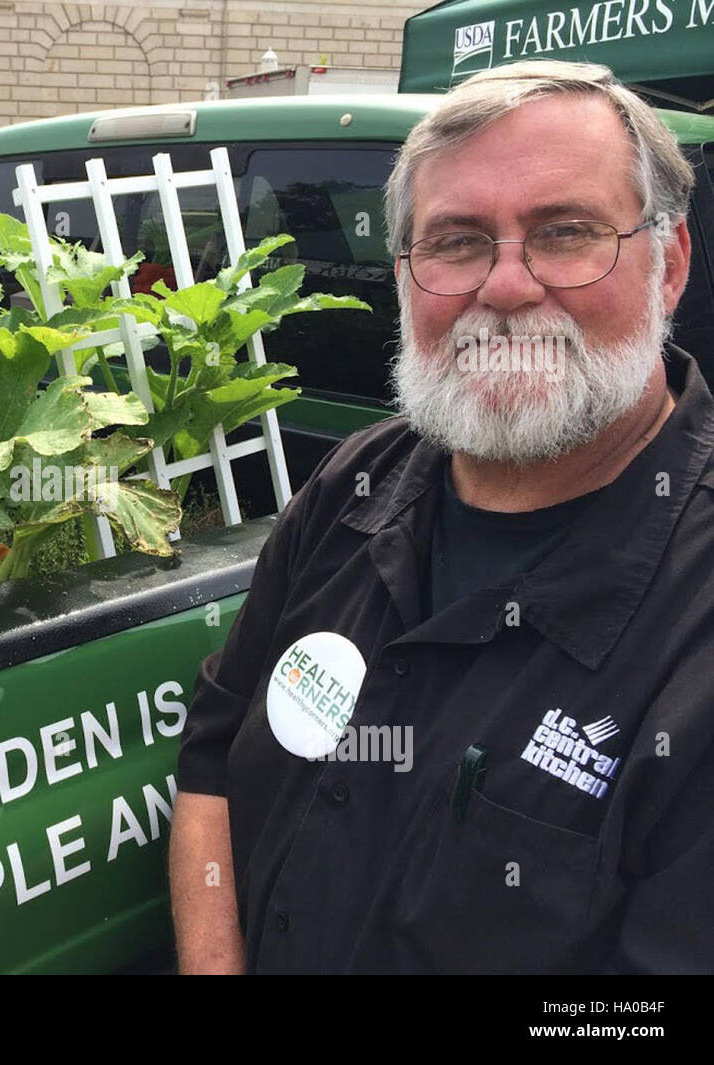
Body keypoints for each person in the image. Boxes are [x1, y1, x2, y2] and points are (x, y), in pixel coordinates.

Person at [169, 59, 714, 974]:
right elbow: (213, 760)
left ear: (671, 266)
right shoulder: (353, 485)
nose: (504, 286)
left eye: (566, 232)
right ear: (405, 273)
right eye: (457, 241)